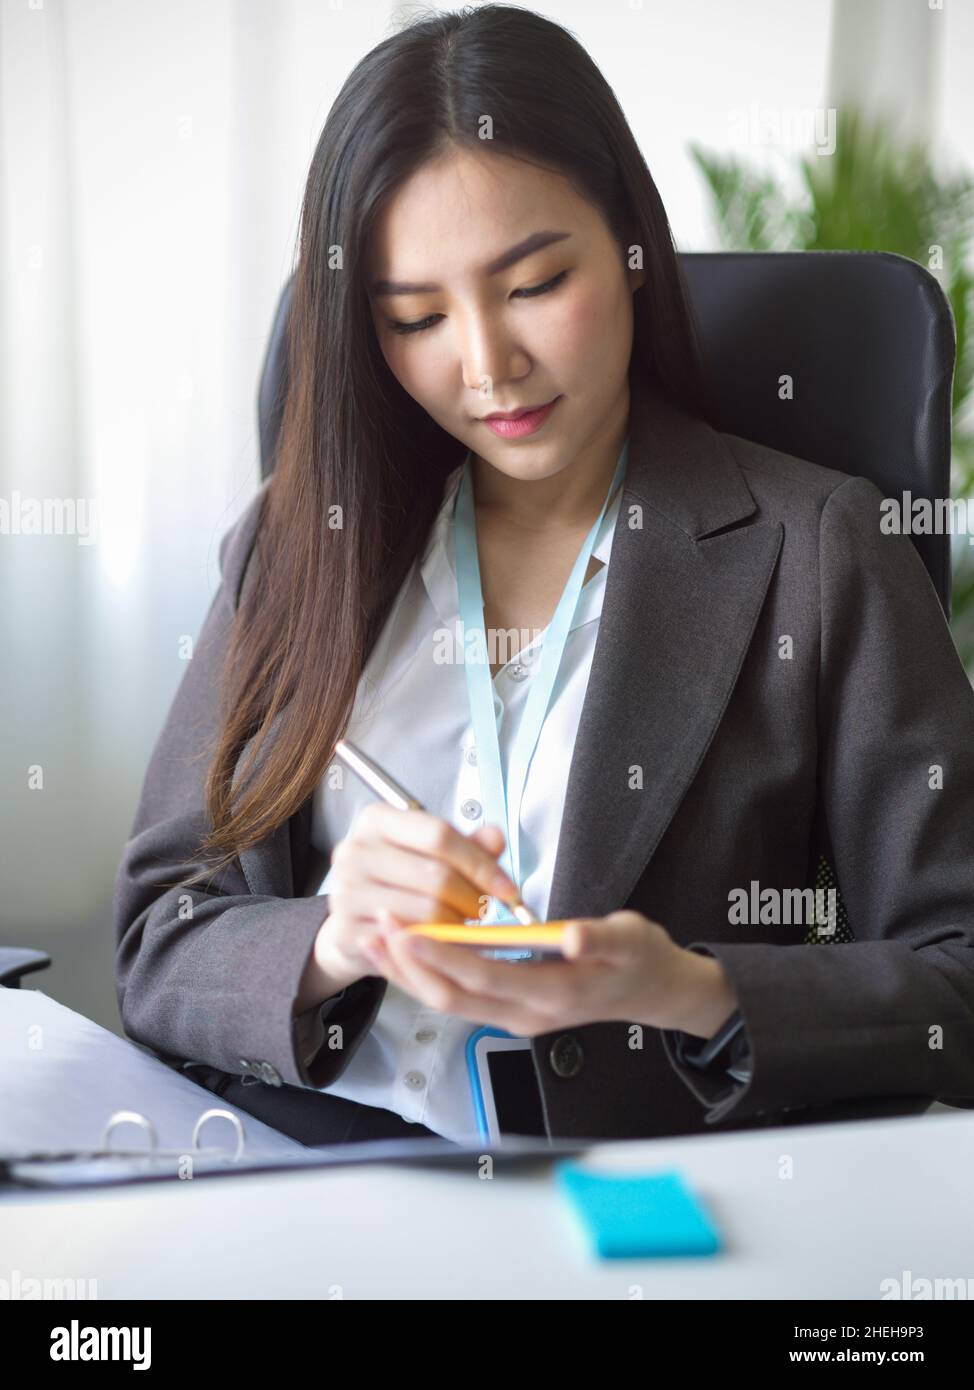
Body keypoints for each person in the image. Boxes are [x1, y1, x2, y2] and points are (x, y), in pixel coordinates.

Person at [113, 4, 974, 1149]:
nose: (484, 366)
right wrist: (328, 941)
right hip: (309, 1183)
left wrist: (687, 989)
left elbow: (956, 978)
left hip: (639, 1208)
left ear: (625, 242)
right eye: (415, 316)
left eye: (530, 285)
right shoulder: (298, 542)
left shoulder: (816, 547)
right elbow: (158, 937)